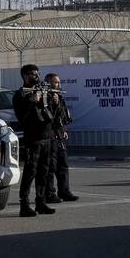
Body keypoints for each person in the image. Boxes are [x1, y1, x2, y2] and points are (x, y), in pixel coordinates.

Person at [11, 64, 56, 217]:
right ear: (24, 76)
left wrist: (53, 101)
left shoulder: (42, 91)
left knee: (44, 172)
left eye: (37, 73)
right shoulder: (21, 95)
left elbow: (50, 114)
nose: (36, 76)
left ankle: (41, 203)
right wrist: (31, 101)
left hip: (46, 137)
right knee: (30, 172)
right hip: (33, 138)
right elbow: (22, 118)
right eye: (32, 74)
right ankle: (24, 205)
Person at [43, 72, 78, 203]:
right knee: (51, 166)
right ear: (48, 83)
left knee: (63, 164)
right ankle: (49, 193)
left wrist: (63, 129)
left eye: (58, 82)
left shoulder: (59, 97)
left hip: (58, 134)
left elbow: (61, 117)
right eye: (54, 82)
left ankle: (64, 191)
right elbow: (48, 117)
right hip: (49, 135)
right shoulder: (44, 98)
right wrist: (54, 103)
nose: (57, 84)